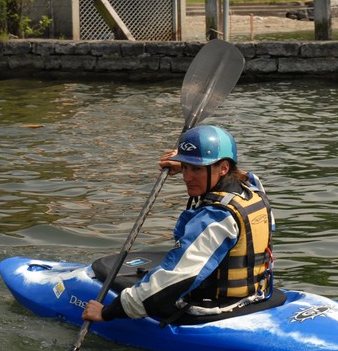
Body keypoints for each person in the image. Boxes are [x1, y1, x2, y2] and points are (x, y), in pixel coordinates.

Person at [82, 124, 275, 324]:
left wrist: (108, 312)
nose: (186, 177)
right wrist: (188, 160)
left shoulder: (215, 217)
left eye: (196, 169)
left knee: (158, 284)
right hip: (258, 294)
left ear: (224, 168)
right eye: (184, 167)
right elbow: (242, 173)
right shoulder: (253, 189)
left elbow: (177, 277)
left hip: (215, 307)